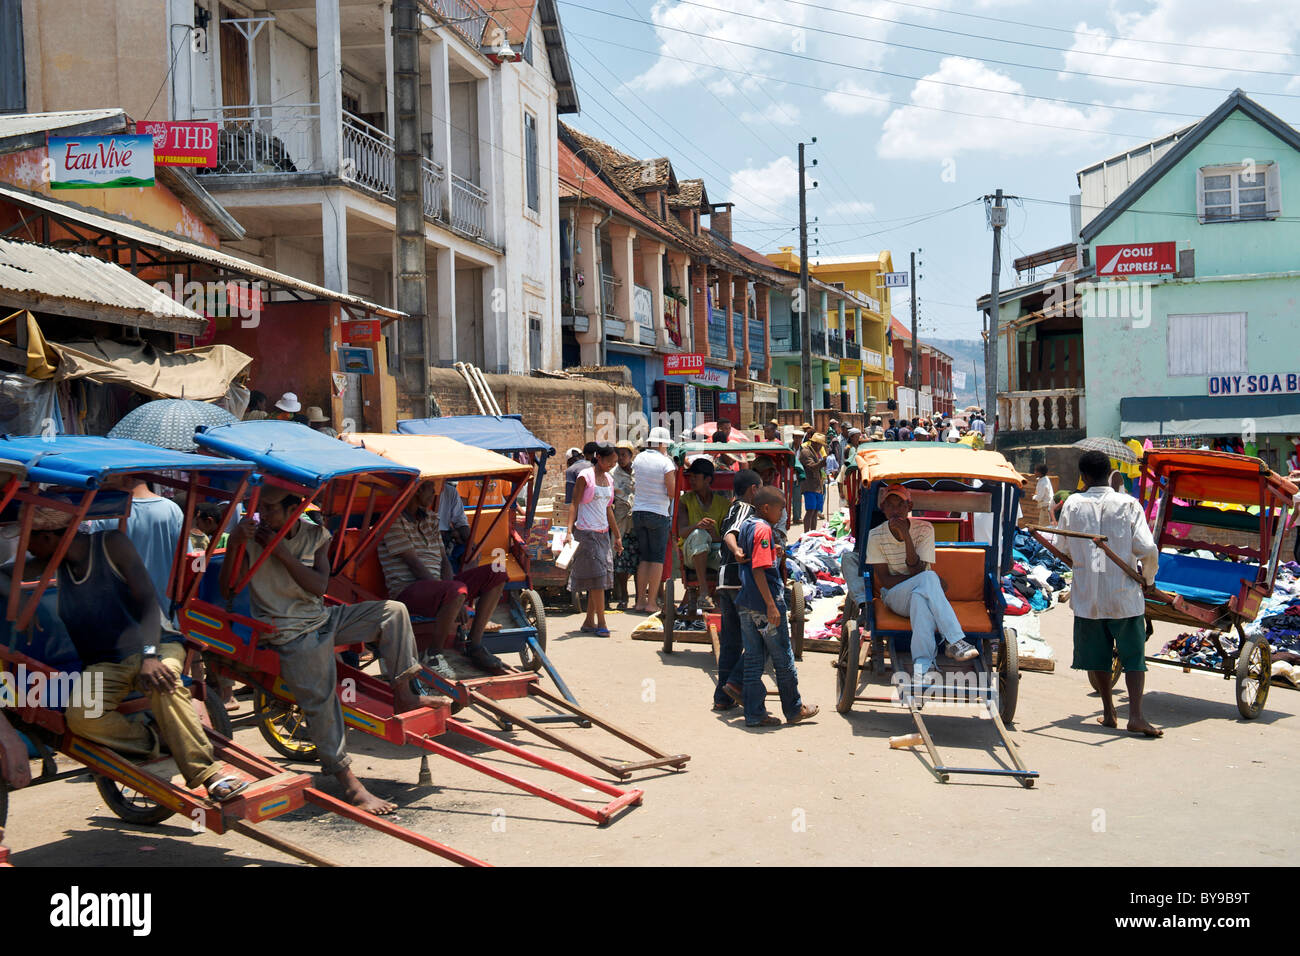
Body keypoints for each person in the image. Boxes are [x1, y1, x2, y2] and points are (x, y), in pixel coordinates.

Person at [221, 486, 448, 815]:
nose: (262, 517)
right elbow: (228, 588)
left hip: (322, 617)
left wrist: (281, 554)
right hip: (287, 630)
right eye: (260, 510)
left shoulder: (317, 536)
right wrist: (237, 546)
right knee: (322, 697)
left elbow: (319, 586)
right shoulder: (249, 539)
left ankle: (404, 692)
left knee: (393, 612)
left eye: (270, 509)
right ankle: (350, 784)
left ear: (293, 511)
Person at [24, 510, 253, 802]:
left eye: (28, 540)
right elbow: (9, 574)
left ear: (47, 536)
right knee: (81, 717)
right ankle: (156, 739)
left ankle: (209, 775)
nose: (26, 548)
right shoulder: (51, 562)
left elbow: (147, 600)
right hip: (107, 663)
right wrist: (23, 607)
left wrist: (149, 656)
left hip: (155, 645)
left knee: (165, 683)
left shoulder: (111, 543)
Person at [1054, 450, 1163, 737]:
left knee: (1097, 657)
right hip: (1123, 595)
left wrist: (1082, 557)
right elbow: (1148, 548)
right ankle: (1136, 716)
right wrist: (1148, 578)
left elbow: (1061, 545)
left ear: (1084, 477)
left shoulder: (1073, 504)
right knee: (1134, 658)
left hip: (1088, 597)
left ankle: (1108, 710)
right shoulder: (1128, 504)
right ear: (1110, 473)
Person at [378, 478, 509, 674]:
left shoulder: (431, 518)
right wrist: (453, 593)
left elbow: (444, 561)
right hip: (407, 590)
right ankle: (434, 655)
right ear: (417, 491)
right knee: (455, 590)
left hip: (437, 588)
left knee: (497, 572)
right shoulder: (392, 521)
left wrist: (454, 591)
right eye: (431, 490)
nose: (434, 494)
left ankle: (474, 644)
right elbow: (414, 565)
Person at [866, 484, 979, 680]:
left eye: (900, 505)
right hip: (894, 597)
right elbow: (886, 581)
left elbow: (917, 569)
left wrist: (906, 537)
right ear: (883, 509)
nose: (895, 511)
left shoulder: (925, 529)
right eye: (890, 506)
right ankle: (955, 640)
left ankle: (923, 664)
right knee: (928, 578)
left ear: (909, 507)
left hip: (920, 593)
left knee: (920, 596)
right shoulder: (875, 535)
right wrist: (925, 580)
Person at [735, 488, 818, 727]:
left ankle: (754, 713)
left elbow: (754, 557)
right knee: (783, 659)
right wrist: (771, 605)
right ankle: (793, 709)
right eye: (780, 508)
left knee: (753, 660)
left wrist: (774, 551)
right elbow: (759, 569)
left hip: (746, 603)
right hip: (764, 603)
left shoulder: (749, 525)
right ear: (765, 508)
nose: (782, 513)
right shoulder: (763, 529)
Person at [87, 477, 183, 615]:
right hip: (166, 611)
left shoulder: (103, 512)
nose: (104, 480)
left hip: (122, 615)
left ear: (126, 475)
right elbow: (190, 559)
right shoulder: (172, 509)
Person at [714, 469, 762, 711]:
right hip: (738, 581)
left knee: (731, 642)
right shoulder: (744, 509)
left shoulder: (733, 507)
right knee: (759, 638)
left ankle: (723, 697)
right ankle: (735, 683)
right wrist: (737, 551)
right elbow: (730, 533)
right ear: (753, 489)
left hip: (726, 582)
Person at [566, 443, 622, 635]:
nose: (611, 465)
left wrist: (617, 536)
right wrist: (568, 532)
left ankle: (589, 621)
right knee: (598, 579)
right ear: (599, 457)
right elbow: (574, 503)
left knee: (597, 578)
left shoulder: (608, 479)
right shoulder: (585, 476)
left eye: (614, 462)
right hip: (586, 533)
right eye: (609, 461)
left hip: (603, 534)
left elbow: (608, 508)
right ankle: (602, 623)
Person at [631, 427, 677, 615]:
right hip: (658, 513)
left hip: (638, 512)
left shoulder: (639, 458)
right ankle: (651, 603)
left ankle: (640, 600)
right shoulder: (666, 462)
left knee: (644, 557)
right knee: (657, 559)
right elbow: (672, 492)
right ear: (661, 443)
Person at [676, 457, 730, 613]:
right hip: (691, 554)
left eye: (695, 477)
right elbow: (681, 532)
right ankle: (704, 592)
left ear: (707, 479)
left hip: (715, 553)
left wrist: (715, 536)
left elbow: (727, 537)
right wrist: (697, 526)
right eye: (690, 477)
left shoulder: (724, 504)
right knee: (699, 534)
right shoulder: (685, 501)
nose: (691, 481)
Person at [611, 441, 638, 607]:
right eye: (618, 455)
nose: (621, 458)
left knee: (638, 561)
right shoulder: (613, 474)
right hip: (620, 520)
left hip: (636, 520)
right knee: (620, 561)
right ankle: (623, 596)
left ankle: (639, 596)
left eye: (624, 455)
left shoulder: (639, 471)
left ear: (630, 456)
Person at [438, 479, 472, 573]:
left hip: (446, 540)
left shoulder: (450, 491)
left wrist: (470, 543)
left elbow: (461, 521)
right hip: (433, 542)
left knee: (470, 551)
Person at [798, 431, 828, 533]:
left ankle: (813, 532)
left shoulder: (817, 452)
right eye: (819, 444)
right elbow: (811, 467)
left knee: (815, 511)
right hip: (809, 486)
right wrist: (822, 463)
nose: (820, 447)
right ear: (814, 443)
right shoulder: (806, 452)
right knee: (810, 510)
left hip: (817, 485)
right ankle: (807, 533)